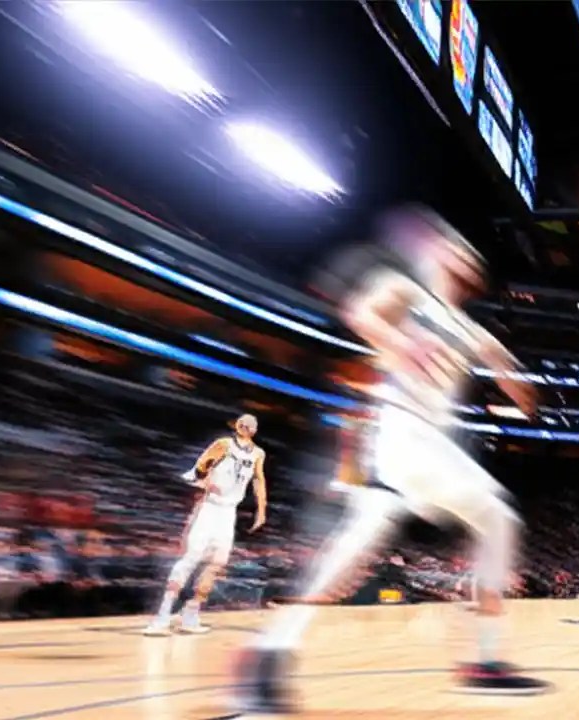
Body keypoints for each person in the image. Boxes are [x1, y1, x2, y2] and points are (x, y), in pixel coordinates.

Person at [231, 208, 548, 714]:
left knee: (355, 547)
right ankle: (484, 662)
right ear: (436, 251)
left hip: (421, 443)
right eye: (455, 245)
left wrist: (516, 384)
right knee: (498, 516)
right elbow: (362, 314)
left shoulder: (465, 326)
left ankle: (270, 651)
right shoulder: (407, 292)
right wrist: (401, 343)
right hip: (401, 430)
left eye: (468, 252)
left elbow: (506, 367)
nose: (465, 255)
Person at [144, 414, 267, 636]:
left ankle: (191, 612)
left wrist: (262, 510)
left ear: (254, 430)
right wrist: (203, 478)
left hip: (229, 512)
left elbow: (259, 480)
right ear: (238, 425)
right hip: (209, 507)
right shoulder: (223, 444)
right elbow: (200, 466)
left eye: (250, 424)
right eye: (242, 422)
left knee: (218, 563)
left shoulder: (258, 453)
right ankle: (162, 617)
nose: (245, 426)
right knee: (191, 558)